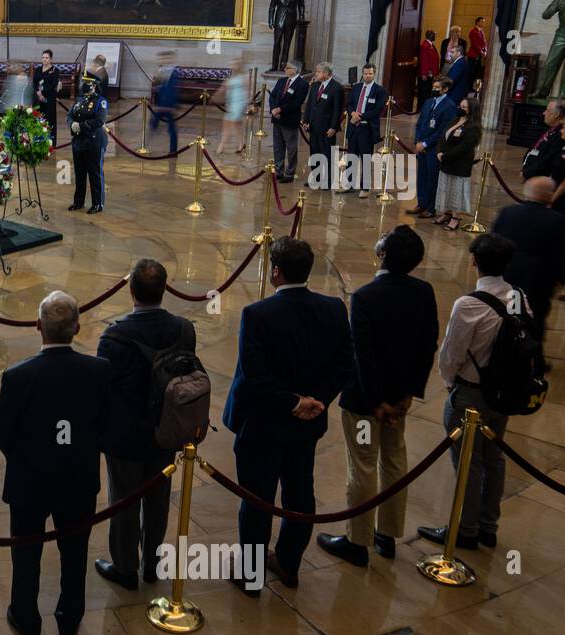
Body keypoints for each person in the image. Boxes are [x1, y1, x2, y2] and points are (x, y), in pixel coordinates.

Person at [222, 237, 354, 596]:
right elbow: (345, 364)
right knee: (300, 493)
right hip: (307, 425)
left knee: (257, 500)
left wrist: (292, 401)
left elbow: (254, 375)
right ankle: (289, 563)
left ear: (276, 272)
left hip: (262, 424)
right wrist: (317, 400)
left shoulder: (257, 315)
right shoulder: (334, 309)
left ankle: (251, 577)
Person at [0, 291, 117, 635]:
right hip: (78, 480)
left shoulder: (18, 377)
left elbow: (2, 433)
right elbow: (104, 426)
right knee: (75, 553)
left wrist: (29, 459)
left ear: (38, 327)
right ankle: (68, 619)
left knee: (26, 554)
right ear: (77, 328)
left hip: (29, 483)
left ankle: (26, 618)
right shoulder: (98, 371)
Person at [317, 227, 437, 566]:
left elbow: (363, 356)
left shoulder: (367, 297)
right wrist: (408, 395)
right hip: (399, 399)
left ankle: (358, 541)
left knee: (363, 467)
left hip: (366, 403)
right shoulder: (423, 292)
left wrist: (376, 401)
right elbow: (427, 346)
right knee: (395, 460)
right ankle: (387, 533)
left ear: (383, 255)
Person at [419, 234, 526, 551]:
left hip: (471, 392)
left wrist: (451, 383)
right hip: (503, 393)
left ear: (474, 261)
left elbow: (451, 354)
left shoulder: (469, 304)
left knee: (468, 461)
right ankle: (488, 525)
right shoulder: (519, 297)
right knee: (494, 457)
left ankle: (464, 530)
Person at [94, 259, 192, 588]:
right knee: (158, 496)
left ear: (130, 290)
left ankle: (125, 567)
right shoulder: (183, 329)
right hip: (165, 431)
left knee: (123, 501)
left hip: (125, 436)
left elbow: (102, 390)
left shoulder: (114, 336)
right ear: (164, 290)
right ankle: (152, 562)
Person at [491, 177, 565, 337]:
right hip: (540, 282)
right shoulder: (556, 220)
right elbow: (560, 254)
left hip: (511, 277)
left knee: (513, 315)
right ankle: (535, 356)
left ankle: (510, 347)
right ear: (549, 195)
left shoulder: (508, 212)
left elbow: (493, 241)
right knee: (536, 318)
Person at [408, 75, 457, 219]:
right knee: (421, 176)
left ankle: (431, 207)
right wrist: (418, 141)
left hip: (434, 148)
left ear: (445, 89)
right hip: (421, 146)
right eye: (433, 87)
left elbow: (443, 130)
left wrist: (425, 143)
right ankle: (421, 203)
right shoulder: (429, 102)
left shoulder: (450, 106)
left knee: (432, 178)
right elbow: (420, 123)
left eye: (437, 88)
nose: (434, 89)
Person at [434, 95, 482, 231]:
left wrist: (446, 156)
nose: (460, 109)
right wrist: (439, 152)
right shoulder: (455, 120)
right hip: (445, 161)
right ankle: (446, 213)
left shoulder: (473, 127)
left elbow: (463, 148)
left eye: (464, 107)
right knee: (445, 189)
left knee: (456, 191)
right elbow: (442, 138)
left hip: (459, 164)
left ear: (471, 110)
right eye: (460, 106)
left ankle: (455, 218)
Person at [66, 72, 108, 214]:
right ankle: (78, 201)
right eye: (83, 82)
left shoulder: (100, 101)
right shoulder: (79, 100)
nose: (83, 85)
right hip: (79, 141)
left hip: (94, 141)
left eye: (87, 82)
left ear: (94, 85)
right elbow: (70, 115)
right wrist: (72, 124)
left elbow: (99, 120)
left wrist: (81, 126)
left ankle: (98, 204)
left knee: (95, 173)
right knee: (80, 173)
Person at [345, 63, 385, 197]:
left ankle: (365, 188)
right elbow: (349, 104)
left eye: (370, 73)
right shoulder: (356, 88)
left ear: (374, 74)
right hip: (353, 126)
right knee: (351, 157)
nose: (367, 75)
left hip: (367, 129)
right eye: (365, 73)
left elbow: (377, 110)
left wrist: (360, 116)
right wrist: (352, 113)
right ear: (362, 74)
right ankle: (349, 184)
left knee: (366, 159)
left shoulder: (380, 90)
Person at [302, 61, 343, 191]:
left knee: (327, 155)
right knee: (315, 153)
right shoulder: (315, 85)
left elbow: (338, 110)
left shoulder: (337, 88)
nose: (316, 73)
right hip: (314, 126)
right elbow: (309, 104)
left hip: (327, 128)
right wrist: (306, 120)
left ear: (326, 73)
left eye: (318, 71)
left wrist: (334, 127)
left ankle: (328, 181)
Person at [269, 61, 308, 184]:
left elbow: (297, 102)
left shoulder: (302, 84)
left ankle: (290, 172)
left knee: (291, 148)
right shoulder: (281, 81)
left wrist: (280, 109)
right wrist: (273, 109)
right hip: (277, 118)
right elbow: (273, 96)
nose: (285, 69)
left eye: (288, 67)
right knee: (277, 146)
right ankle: (279, 170)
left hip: (289, 119)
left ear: (295, 70)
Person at [520, 98, 564, 192]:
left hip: (540, 182)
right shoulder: (551, 129)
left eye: (547, 110)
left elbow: (547, 159)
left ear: (556, 114)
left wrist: (527, 173)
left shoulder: (560, 134)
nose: (544, 113)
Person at [150, 51, 180, 155]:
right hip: (161, 103)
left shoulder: (174, 71)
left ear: (170, 59)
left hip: (168, 105)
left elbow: (172, 90)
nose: (162, 61)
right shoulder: (161, 71)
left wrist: (172, 105)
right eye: (161, 59)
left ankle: (173, 151)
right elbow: (159, 87)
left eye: (165, 58)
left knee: (172, 129)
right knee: (153, 123)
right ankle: (148, 139)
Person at [219, 58, 249, 155]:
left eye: (234, 65)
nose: (232, 67)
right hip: (231, 102)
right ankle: (241, 143)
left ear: (239, 66)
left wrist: (247, 104)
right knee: (236, 124)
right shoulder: (230, 77)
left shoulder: (245, 76)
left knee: (231, 123)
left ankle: (222, 145)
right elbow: (223, 88)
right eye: (231, 65)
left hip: (240, 103)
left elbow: (248, 91)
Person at [33, 50, 60, 140]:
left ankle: (50, 140)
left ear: (51, 59)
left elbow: (53, 85)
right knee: (38, 117)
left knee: (49, 119)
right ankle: (38, 139)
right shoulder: (37, 69)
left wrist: (42, 93)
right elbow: (34, 82)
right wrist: (38, 92)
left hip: (49, 98)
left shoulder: (55, 71)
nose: (44, 59)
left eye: (47, 58)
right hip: (38, 98)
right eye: (43, 57)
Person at [417, 30, 440, 110]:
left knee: (427, 92)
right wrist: (424, 73)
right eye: (434, 35)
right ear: (430, 35)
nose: (435, 36)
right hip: (426, 74)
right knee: (423, 92)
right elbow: (424, 60)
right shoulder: (425, 45)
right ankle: (421, 108)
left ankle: (425, 107)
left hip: (430, 73)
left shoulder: (430, 45)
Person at [468, 17, 488, 86]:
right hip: (473, 55)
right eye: (482, 21)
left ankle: (474, 87)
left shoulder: (481, 31)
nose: (483, 23)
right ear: (477, 22)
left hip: (479, 55)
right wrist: (481, 52)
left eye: (484, 21)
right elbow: (475, 44)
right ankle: (469, 87)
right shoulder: (473, 31)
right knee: (471, 72)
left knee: (477, 72)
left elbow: (484, 42)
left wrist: (485, 50)